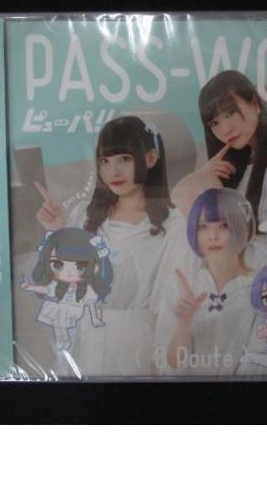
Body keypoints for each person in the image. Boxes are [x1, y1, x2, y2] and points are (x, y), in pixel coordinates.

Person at [35, 116, 184, 376]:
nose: (113, 171)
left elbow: (169, 303)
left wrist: (160, 365)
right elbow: (66, 283)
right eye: (105, 161)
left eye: (124, 159)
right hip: (83, 340)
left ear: (150, 158)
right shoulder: (85, 214)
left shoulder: (172, 225)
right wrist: (58, 230)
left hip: (136, 345)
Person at [153, 188, 257, 377]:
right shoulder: (179, 286)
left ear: (245, 228)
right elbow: (168, 366)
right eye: (203, 226)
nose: (213, 236)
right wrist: (184, 322)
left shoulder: (260, 290)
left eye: (224, 225)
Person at [172, 70, 267, 224]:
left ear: (255, 104)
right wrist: (202, 175)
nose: (225, 129)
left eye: (230, 114)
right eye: (215, 123)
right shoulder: (242, 161)